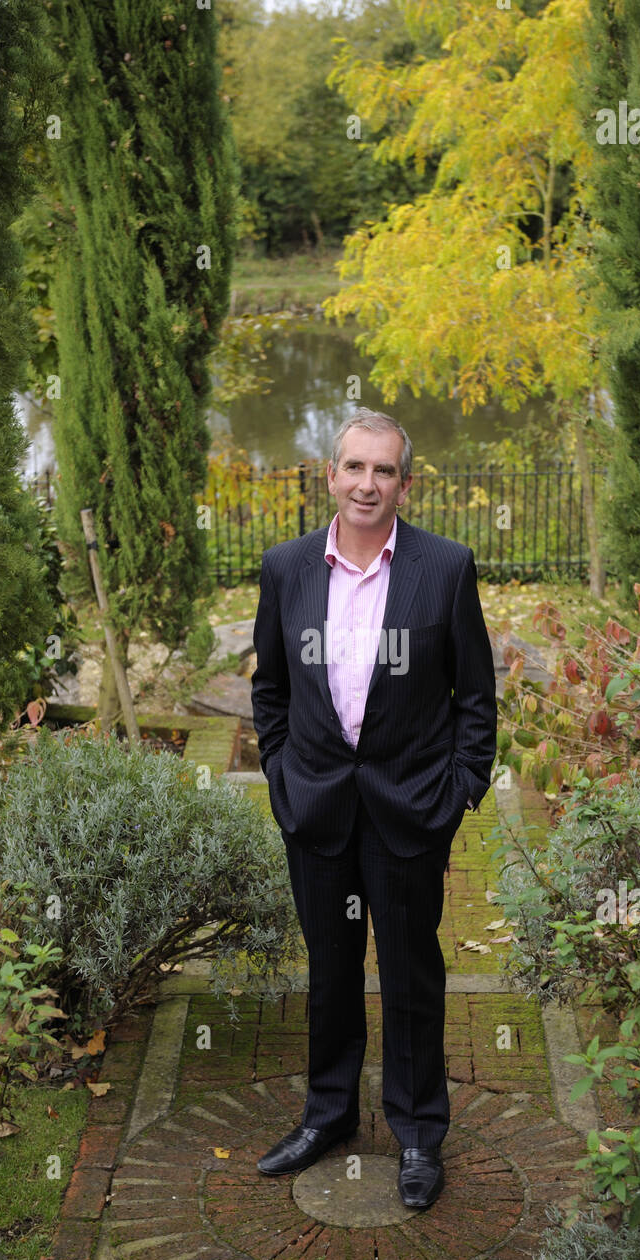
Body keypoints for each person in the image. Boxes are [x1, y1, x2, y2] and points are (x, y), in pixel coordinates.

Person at [249, 407, 497, 1209]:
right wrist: (282, 773)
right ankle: (329, 1116)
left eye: (382, 471)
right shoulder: (286, 568)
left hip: (410, 810)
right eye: (353, 467)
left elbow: (475, 697)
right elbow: (270, 689)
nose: (366, 484)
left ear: (404, 482)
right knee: (327, 971)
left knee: (411, 972)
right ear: (329, 475)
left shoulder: (444, 567)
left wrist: (461, 786)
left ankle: (420, 1133)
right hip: (317, 807)